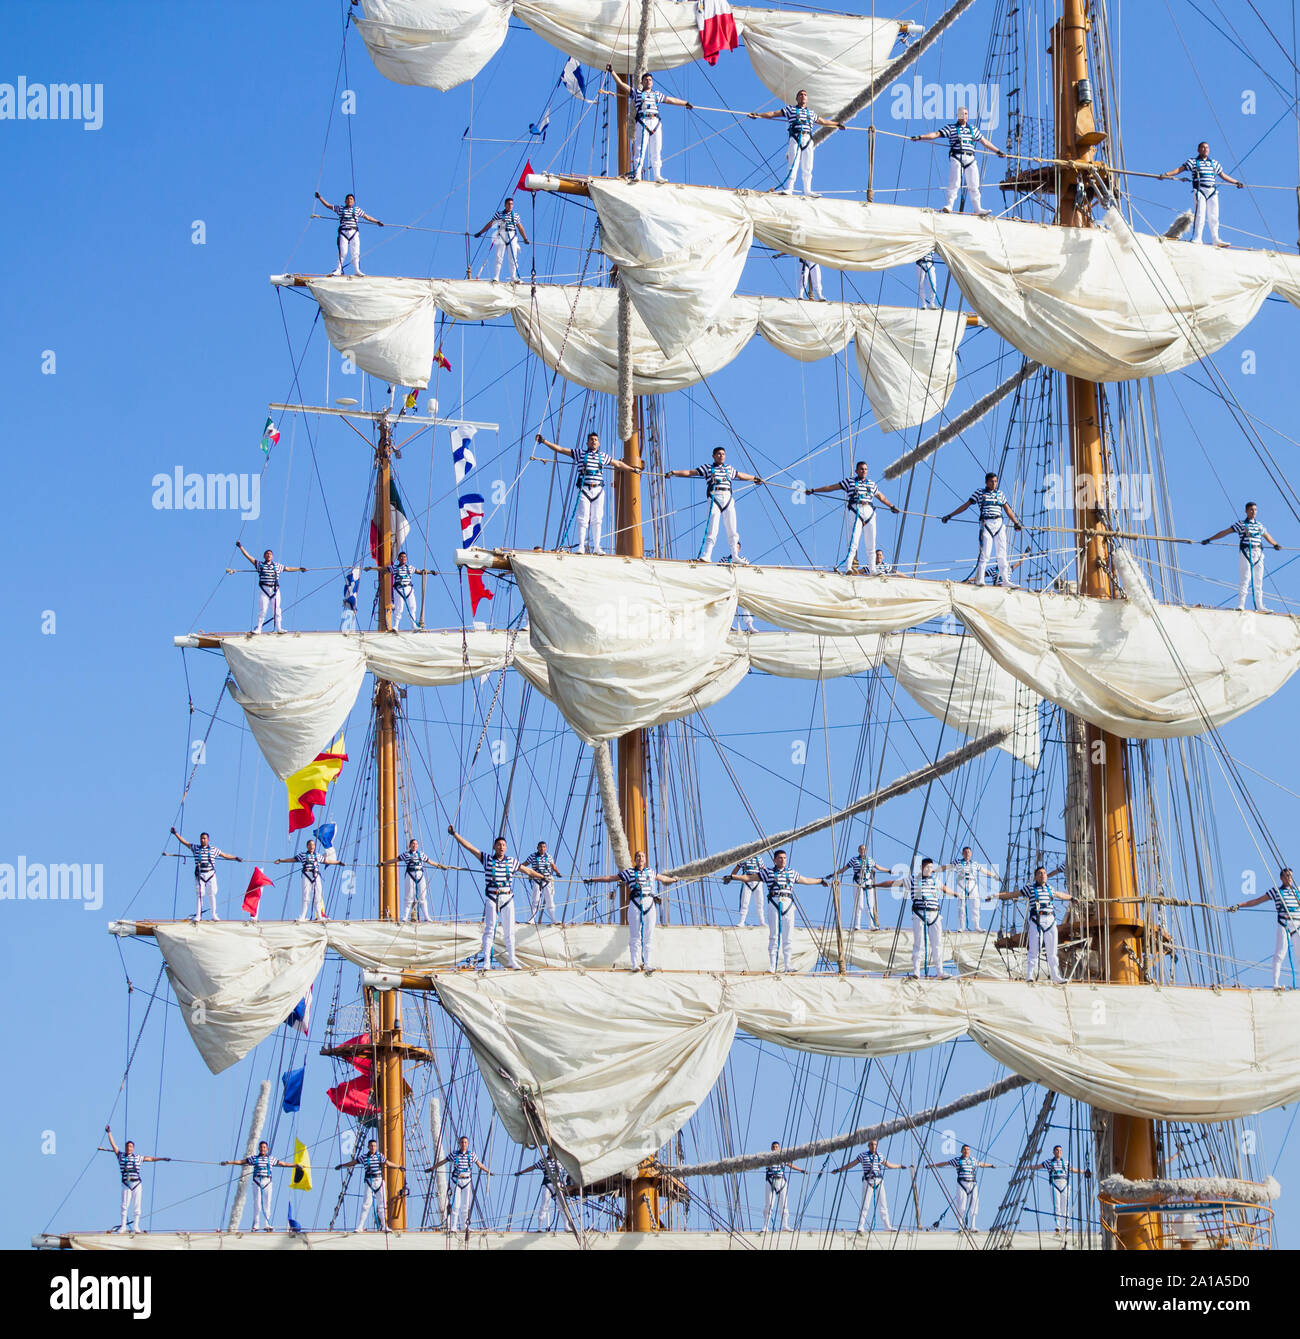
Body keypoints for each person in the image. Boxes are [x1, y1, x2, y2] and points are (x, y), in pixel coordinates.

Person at [446, 828, 543, 970]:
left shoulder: (511, 862)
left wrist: (543, 877)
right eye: (499, 845)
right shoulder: (487, 859)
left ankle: (511, 959)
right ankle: (486, 961)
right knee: (489, 929)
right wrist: (455, 835)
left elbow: (527, 871)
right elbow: (470, 847)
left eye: (503, 845)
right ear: (494, 847)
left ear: (506, 847)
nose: (501, 847)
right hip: (492, 897)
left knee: (509, 931)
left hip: (507, 898)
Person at [536, 430, 640, 555]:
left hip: (598, 490)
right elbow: (561, 449)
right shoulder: (580, 454)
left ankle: (597, 547)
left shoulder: (603, 456)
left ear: (599, 443)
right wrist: (544, 441)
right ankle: (581, 546)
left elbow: (617, 463)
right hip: (584, 489)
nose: (593, 441)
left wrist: (632, 469)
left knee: (597, 519)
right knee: (583, 518)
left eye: (595, 440)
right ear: (587, 443)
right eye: (591, 440)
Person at [666, 446, 764, 563]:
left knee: (732, 529)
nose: (721, 456)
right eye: (718, 454)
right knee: (712, 528)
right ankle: (707, 554)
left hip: (727, 498)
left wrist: (754, 478)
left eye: (723, 454)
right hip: (714, 498)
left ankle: (735, 556)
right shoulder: (707, 468)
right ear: (713, 456)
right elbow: (690, 472)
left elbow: (740, 475)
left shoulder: (729, 468)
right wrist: (674, 473)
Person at [587, 852, 678, 971]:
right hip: (635, 903)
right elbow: (611, 878)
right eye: (638, 856)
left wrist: (674, 879)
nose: (641, 858)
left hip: (649, 903)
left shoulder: (650, 872)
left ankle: (647, 963)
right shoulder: (629, 873)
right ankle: (635, 964)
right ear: (635, 859)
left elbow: (663, 878)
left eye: (643, 856)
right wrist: (593, 879)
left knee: (648, 936)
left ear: (645, 860)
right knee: (635, 936)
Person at [808, 461, 900, 573]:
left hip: (869, 511)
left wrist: (891, 506)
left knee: (871, 543)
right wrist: (814, 490)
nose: (863, 471)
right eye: (861, 469)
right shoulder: (849, 482)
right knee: (853, 542)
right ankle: (848, 567)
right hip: (855, 510)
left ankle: (872, 570)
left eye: (865, 469)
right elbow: (831, 487)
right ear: (856, 471)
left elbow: (881, 497)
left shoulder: (871, 484)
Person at [910, 107, 1005, 215]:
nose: (964, 116)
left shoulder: (973, 130)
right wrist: (919, 137)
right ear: (957, 116)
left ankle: (978, 208)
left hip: (970, 158)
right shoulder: (951, 128)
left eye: (966, 114)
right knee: (955, 182)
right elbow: (936, 134)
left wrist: (998, 151)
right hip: (957, 156)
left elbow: (984, 142)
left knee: (974, 184)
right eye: (962, 114)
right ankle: (949, 205)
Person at [604, 67, 692, 182]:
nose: (648, 81)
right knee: (640, 149)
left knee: (656, 149)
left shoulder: (657, 95)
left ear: (652, 82)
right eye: (646, 80)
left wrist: (685, 103)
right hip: (643, 122)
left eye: (650, 80)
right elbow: (621, 84)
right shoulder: (637, 93)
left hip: (655, 122)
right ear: (642, 82)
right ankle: (637, 174)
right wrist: (612, 72)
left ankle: (657, 175)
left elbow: (671, 100)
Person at [748, 90, 843, 195]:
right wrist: (758, 115)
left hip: (808, 139)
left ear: (807, 99)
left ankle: (808, 190)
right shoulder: (790, 109)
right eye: (800, 95)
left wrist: (837, 124)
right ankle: (789, 188)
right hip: (795, 137)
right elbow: (773, 114)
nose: (803, 96)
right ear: (797, 98)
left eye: (805, 95)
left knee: (808, 166)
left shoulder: (811, 113)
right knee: (793, 163)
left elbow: (824, 122)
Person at [940, 471, 1023, 586]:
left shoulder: (1000, 494)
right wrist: (950, 515)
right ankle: (980, 579)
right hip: (987, 523)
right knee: (985, 553)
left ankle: (1005, 580)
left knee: (1002, 554)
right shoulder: (979, 493)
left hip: (999, 523)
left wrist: (1016, 523)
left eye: (995, 481)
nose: (994, 484)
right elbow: (966, 506)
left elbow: (1007, 509)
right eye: (991, 481)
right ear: (986, 482)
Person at [1158, 142, 1245, 247]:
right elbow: (1179, 170)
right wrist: (1166, 175)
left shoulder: (1214, 163)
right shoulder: (1193, 162)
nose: (1205, 149)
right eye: (1203, 148)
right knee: (1200, 214)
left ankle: (1215, 239)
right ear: (1198, 150)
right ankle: (1197, 237)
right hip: (1200, 190)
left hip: (1212, 191)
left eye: (1207, 148)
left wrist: (1236, 182)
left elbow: (1223, 175)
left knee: (1214, 216)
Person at [755, 850, 828, 973]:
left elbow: (805, 880)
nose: (782, 860)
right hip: (774, 901)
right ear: (774, 860)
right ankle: (773, 965)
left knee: (788, 936)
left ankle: (788, 965)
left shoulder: (791, 872)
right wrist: (734, 877)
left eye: (784, 858)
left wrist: (820, 880)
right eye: (780, 858)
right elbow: (751, 877)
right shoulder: (768, 872)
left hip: (788, 903)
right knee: (774, 935)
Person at [1202, 501, 1282, 612]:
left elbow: (1267, 536)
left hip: (1258, 553)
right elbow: (1225, 532)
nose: (1254, 512)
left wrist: (1275, 544)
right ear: (1246, 511)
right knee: (1246, 578)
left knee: (1258, 581)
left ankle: (1260, 606)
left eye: (1255, 510)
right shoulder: (1241, 524)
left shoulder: (1260, 525)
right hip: (1246, 552)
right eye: (1251, 510)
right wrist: (1209, 539)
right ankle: (1241, 604)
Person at [998, 864, 1070, 984]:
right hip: (1037, 920)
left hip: (1050, 920)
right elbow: (1015, 894)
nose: (1043, 875)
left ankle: (1056, 976)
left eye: (1044, 873)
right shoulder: (1030, 888)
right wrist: (998, 896)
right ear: (1036, 876)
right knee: (1034, 950)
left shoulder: (1050, 888)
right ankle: (1030, 975)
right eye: (1040, 873)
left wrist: (1072, 898)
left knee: (1052, 951)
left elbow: (1060, 895)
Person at [1230, 867, 1300, 989]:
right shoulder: (1276, 891)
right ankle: (1276, 983)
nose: (1290, 878)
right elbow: (1258, 900)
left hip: (1297, 925)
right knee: (1280, 953)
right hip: (1284, 924)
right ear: (1282, 878)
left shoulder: (1298, 891)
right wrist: (1239, 905)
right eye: (1287, 876)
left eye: (1291, 876)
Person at [830, 1139, 907, 1233]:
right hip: (868, 1181)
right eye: (871, 1144)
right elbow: (851, 1164)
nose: (873, 1146)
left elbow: (888, 1165)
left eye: (875, 1144)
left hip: (879, 1181)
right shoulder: (863, 1155)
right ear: (868, 1145)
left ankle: (887, 1226)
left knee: (883, 1205)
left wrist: (899, 1166)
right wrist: (839, 1170)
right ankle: (861, 1226)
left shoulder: (880, 1156)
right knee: (865, 1205)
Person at [169, 827, 242, 921]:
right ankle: (198, 915)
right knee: (200, 894)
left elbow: (225, 855)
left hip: (210, 874)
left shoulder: (213, 850)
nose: (203, 840)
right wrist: (175, 834)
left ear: (208, 839)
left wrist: (235, 858)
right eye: (201, 838)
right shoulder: (195, 848)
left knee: (211, 894)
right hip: (200, 875)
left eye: (204, 838)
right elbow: (185, 842)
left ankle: (214, 915)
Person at [105, 1126, 168, 1235]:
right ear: (125, 1148)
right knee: (124, 1205)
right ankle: (123, 1226)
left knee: (137, 1206)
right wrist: (109, 1132)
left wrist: (162, 1159)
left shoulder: (138, 1157)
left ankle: (136, 1226)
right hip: (126, 1183)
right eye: (128, 1146)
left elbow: (151, 1159)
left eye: (131, 1146)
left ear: (133, 1148)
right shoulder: (120, 1156)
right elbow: (113, 1145)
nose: (129, 1148)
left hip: (136, 1183)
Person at [221, 1140, 295, 1232]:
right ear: (259, 1148)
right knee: (257, 1204)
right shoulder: (254, 1158)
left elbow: (283, 1164)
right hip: (257, 1182)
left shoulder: (271, 1159)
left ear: (267, 1149)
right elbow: (242, 1161)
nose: (262, 1149)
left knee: (267, 1203)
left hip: (267, 1182)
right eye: (261, 1147)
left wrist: (296, 1165)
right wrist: (229, 1162)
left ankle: (267, 1224)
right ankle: (256, 1224)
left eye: (264, 1147)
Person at [235, 542, 305, 634]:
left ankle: (279, 628)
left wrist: (300, 569)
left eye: (270, 554)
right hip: (264, 590)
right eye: (267, 554)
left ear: (272, 556)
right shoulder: (259, 564)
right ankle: (259, 628)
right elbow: (248, 556)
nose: (269, 555)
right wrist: (241, 547)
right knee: (263, 609)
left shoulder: (277, 566)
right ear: (264, 556)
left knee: (277, 609)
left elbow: (288, 569)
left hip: (275, 590)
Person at [337, 1138, 404, 1233]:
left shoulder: (380, 1156)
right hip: (369, 1181)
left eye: (374, 1146)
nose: (373, 1147)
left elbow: (388, 1163)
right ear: (368, 1147)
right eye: (371, 1146)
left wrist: (399, 1167)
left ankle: (385, 1226)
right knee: (366, 1204)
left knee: (382, 1204)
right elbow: (353, 1163)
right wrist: (342, 1165)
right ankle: (360, 1226)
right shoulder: (363, 1157)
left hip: (379, 1181)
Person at [908, 857, 959, 978]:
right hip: (920, 913)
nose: (929, 869)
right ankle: (916, 971)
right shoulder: (913, 879)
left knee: (937, 943)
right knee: (918, 943)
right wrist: (875, 885)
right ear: (921, 868)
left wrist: (956, 894)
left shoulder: (935, 880)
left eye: (931, 867)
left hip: (934, 914)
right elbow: (894, 883)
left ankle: (940, 971)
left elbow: (944, 889)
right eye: (927, 867)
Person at [274, 837, 345, 922]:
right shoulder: (303, 855)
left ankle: (319, 916)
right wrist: (280, 860)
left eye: (313, 845)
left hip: (316, 875)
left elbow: (326, 861)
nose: (312, 846)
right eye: (310, 845)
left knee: (318, 896)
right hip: (306, 875)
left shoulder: (317, 855)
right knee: (306, 896)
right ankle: (303, 916)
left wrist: (338, 862)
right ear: (307, 846)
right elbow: (292, 859)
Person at [315, 190, 384, 276]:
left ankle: (357, 270)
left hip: (353, 232)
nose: (349, 200)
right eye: (348, 199)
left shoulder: (357, 210)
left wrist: (377, 222)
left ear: (353, 201)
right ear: (345, 201)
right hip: (343, 232)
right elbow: (328, 205)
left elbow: (367, 217)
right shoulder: (340, 209)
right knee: (343, 252)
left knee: (355, 252)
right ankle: (338, 270)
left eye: (351, 199)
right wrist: (320, 197)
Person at [829, 844, 896, 931]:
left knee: (869, 905)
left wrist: (888, 871)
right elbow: (844, 869)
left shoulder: (870, 860)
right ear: (858, 851)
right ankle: (857, 925)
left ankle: (871, 925)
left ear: (866, 850)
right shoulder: (854, 860)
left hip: (868, 882)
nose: (862, 851)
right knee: (859, 905)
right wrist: (834, 874)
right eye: (861, 849)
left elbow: (878, 867)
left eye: (864, 849)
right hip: (858, 883)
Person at [431, 1135, 492, 1231]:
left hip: (467, 1181)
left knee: (465, 1206)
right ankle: (453, 1227)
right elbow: (444, 1161)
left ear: (467, 1144)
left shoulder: (471, 1155)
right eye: (462, 1142)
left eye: (465, 1142)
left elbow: (479, 1165)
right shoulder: (454, 1154)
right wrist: (432, 1168)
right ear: (459, 1144)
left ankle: (465, 1227)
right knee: (455, 1205)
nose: (463, 1144)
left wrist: (488, 1171)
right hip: (456, 1181)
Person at [929, 1144, 995, 1230]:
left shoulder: (973, 1160)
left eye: (968, 1150)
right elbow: (945, 1163)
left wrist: (991, 1165)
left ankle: (973, 1226)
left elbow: (981, 1164)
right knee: (962, 1206)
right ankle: (960, 1225)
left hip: (972, 1184)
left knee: (974, 1204)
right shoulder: (957, 1160)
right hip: (962, 1184)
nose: (966, 1151)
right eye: (964, 1149)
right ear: (961, 1151)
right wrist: (932, 1165)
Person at [382, 837, 446, 923]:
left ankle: (427, 917)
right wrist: (384, 863)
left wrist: (440, 866)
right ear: (410, 845)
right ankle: (405, 917)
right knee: (409, 897)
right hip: (410, 875)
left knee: (423, 897)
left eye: (416, 844)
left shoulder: (421, 854)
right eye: (413, 844)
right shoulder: (406, 854)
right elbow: (395, 860)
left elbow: (430, 861)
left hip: (420, 876)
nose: (414, 845)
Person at [939, 846, 999, 932]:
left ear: (971, 854)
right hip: (961, 883)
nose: (967, 853)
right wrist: (936, 870)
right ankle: (962, 927)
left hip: (972, 884)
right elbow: (947, 867)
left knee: (976, 905)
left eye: (969, 852)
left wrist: (994, 875)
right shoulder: (958, 862)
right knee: (961, 906)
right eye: (966, 852)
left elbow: (984, 871)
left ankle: (977, 926)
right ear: (962, 854)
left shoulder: (974, 863)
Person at [474, 196, 531, 282]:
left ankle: (513, 277)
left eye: (512, 204)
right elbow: (490, 224)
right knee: (499, 257)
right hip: (502, 235)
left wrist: (525, 238)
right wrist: (480, 232)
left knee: (513, 258)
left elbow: (520, 227)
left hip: (512, 236)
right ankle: (496, 277)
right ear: (505, 205)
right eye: (509, 204)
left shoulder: (515, 215)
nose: (510, 205)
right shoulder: (499, 214)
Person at [1039, 1144, 1088, 1235]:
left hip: (1064, 1184)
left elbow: (1073, 1170)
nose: (1059, 1152)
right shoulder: (1049, 1162)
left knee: (1065, 1205)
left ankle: (1066, 1225)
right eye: (1057, 1150)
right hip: (1054, 1184)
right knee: (1056, 1205)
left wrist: (1084, 1171)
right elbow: (1038, 1166)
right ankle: (1058, 1225)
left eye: (1060, 1150)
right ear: (1053, 1152)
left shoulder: (1065, 1162)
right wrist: (1026, 1167)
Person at [514, 1151, 570, 1231]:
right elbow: (533, 1167)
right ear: (548, 1152)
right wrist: (521, 1172)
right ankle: (539, 1227)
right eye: (550, 1152)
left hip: (558, 1185)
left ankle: (566, 1226)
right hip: (547, 1184)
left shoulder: (560, 1161)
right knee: (544, 1205)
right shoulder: (544, 1161)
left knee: (562, 1206)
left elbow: (565, 1173)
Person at [761, 1142, 807, 1230]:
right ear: (771, 1148)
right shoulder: (767, 1158)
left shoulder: (783, 1158)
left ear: (779, 1148)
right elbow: (758, 1163)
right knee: (768, 1205)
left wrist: (801, 1170)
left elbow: (790, 1165)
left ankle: (785, 1225)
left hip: (781, 1182)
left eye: (776, 1147)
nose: (775, 1149)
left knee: (784, 1205)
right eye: (773, 1147)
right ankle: (766, 1226)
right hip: (770, 1181)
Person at [722, 854, 767, 928]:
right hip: (747, 881)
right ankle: (741, 921)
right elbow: (736, 870)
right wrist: (731, 877)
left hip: (757, 882)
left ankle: (762, 922)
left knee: (760, 903)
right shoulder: (744, 858)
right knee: (744, 902)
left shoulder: (759, 858)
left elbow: (764, 870)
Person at [525, 839, 564, 924]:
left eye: (544, 847)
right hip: (536, 879)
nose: (542, 848)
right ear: (537, 848)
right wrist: (518, 868)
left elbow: (553, 865)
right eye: (540, 847)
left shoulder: (549, 857)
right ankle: (531, 919)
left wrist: (557, 872)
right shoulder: (533, 856)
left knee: (549, 900)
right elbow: (526, 864)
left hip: (547, 880)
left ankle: (554, 920)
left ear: (546, 848)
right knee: (535, 900)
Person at [390, 550, 421, 630]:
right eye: (401, 557)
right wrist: (371, 568)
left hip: (409, 589)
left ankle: (414, 625)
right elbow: (384, 569)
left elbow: (419, 572)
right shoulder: (394, 568)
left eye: (404, 557)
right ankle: (396, 625)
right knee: (399, 608)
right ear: (398, 559)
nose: (403, 558)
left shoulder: (410, 568)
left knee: (412, 607)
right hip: (399, 589)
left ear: (406, 559)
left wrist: (430, 572)